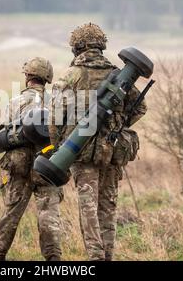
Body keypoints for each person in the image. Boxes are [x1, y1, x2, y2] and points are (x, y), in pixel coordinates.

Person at [48, 23, 147, 261]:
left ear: (77, 46)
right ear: (102, 45)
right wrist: (116, 125)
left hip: (79, 153)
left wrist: (57, 147)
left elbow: (55, 118)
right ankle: (108, 255)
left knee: (88, 206)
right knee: (108, 206)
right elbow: (140, 108)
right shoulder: (118, 73)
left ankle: (95, 256)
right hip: (112, 151)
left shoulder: (70, 76)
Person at [0, 57, 63, 261]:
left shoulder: (15, 102)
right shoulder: (56, 102)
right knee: (48, 208)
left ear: (28, 77)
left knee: (13, 206)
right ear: (47, 78)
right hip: (48, 160)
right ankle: (52, 256)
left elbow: (7, 134)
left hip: (19, 161)